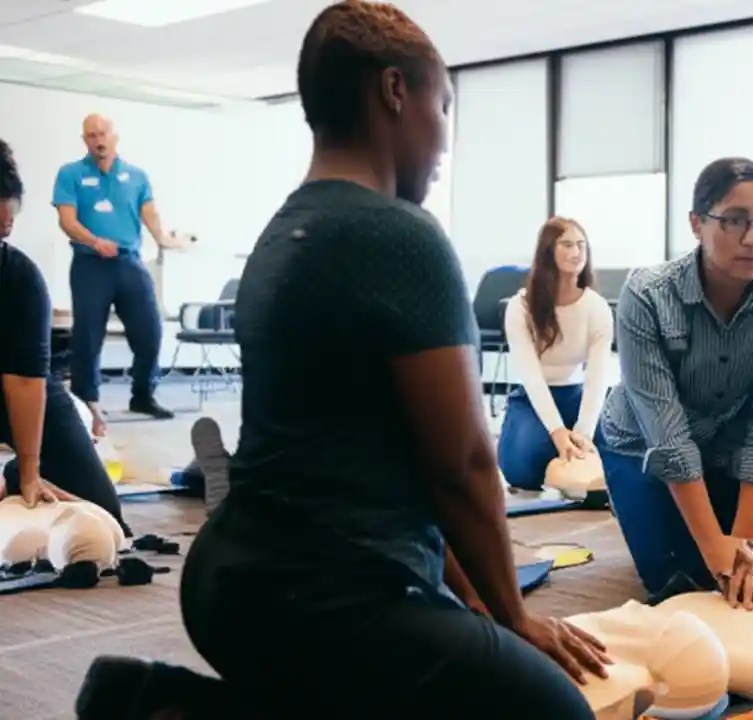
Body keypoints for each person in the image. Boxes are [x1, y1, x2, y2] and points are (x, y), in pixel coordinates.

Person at [75, 3, 607, 719]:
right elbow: (462, 466)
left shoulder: (284, 233)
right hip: (328, 598)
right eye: (442, 105)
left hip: (230, 582)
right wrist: (513, 618)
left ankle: (151, 700)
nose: (445, 138)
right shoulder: (399, 237)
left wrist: (475, 602)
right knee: (557, 712)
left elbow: (396, 465)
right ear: (395, 91)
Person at [599, 156, 753, 612]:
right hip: (642, 448)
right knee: (685, 584)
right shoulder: (647, 294)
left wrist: (743, 547)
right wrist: (718, 553)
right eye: (734, 221)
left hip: (734, 446)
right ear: (697, 223)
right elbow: (667, 435)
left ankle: (731, 517)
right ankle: (640, 506)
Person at [0, 138, 130, 534]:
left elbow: (25, 379)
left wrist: (29, 472)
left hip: (17, 385)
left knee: (104, 520)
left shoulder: (18, 277)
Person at [53, 113, 183, 431]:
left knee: (151, 330)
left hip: (129, 263)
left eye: (103, 133)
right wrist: (95, 241)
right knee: (87, 335)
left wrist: (163, 239)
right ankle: (85, 400)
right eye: (91, 135)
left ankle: (143, 395)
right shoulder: (70, 174)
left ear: (115, 136)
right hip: (90, 265)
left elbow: (149, 213)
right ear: (84, 140)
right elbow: (67, 221)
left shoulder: (137, 176)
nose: (98, 140)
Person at [498, 216, 613, 490]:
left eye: (581, 245)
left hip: (576, 395)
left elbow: (597, 378)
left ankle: (576, 472)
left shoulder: (597, 308)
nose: (576, 253)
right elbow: (531, 376)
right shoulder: (520, 307)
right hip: (533, 398)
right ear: (548, 251)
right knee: (524, 466)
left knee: (619, 449)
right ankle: (566, 469)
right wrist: (558, 432)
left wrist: (583, 433)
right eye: (567, 245)